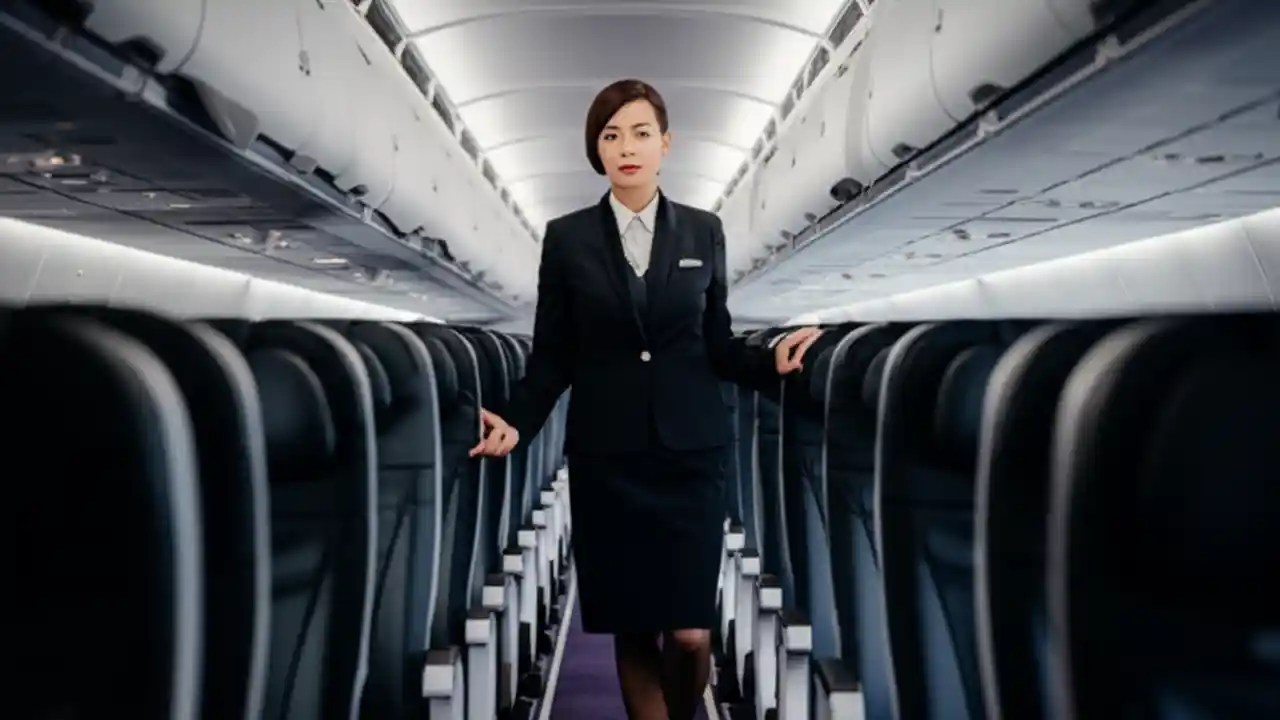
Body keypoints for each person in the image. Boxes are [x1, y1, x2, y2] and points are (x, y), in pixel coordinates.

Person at [469, 79, 823, 720]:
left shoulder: (703, 231)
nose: (625, 147)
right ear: (596, 151)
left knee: (690, 635)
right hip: (610, 459)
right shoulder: (567, 238)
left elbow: (717, 346)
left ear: (665, 143)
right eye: (610, 135)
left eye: (639, 133)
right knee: (633, 626)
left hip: (691, 457)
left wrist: (769, 360)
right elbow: (554, 355)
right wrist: (517, 423)